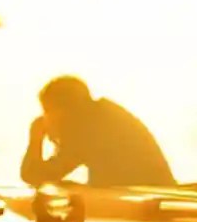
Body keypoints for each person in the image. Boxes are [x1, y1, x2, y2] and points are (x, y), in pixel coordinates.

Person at [20, 76, 174, 188]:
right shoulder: (101, 114)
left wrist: (36, 137)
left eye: (47, 111)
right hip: (148, 192)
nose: (45, 118)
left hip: (147, 198)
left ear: (62, 110)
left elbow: (34, 176)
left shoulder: (87, 126)